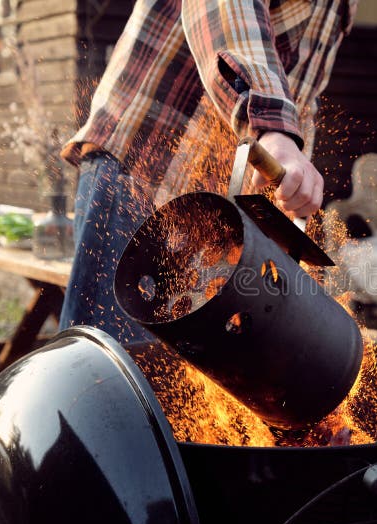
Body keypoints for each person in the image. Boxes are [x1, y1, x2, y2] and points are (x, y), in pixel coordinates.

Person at [59, 0, 358, 343]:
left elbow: (301, 84)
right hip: (144, 165)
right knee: (106, 374)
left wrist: (289, 167)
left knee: (177, 382)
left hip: (211, 207)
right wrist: (273, 128)